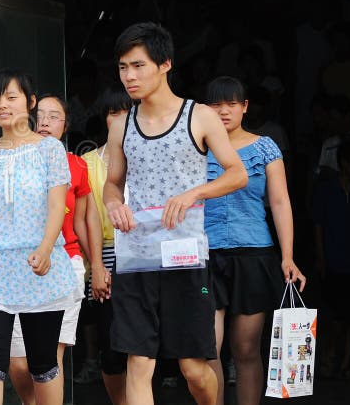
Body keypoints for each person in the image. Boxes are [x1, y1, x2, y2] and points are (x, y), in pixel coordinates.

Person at [103, 22, 248, 405]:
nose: (129, 76)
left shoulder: (199, 116)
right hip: (136, 258)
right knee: (139, 362)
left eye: (138, 66)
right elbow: (112, 183)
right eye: (122, 67)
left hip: (185, 257)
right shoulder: (121, 125)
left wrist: (193, 193)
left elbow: (237, 174)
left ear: (165, 64)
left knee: (194, 370)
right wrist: (114, 205)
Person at [0, 69, 79, 405]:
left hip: (40, 268)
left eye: (11, 97)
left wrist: (45, 249)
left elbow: (57, 206)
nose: (2, 105)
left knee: (43, 366)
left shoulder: (50, 150)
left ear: (31, 102)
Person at [203, 76, 306, 405]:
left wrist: (287, 256)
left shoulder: (265, 147)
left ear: (245, 107)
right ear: (206, 109)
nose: (223, 111)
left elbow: (280, 203)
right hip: (205, 254)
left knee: (246, 350)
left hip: (254, 253)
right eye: (216, 104)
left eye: (231, 104)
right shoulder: (196, 148)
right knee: (207, 348)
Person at [8, 94, 92, 404]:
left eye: (54, 116)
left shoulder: (77, 165)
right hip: (16, 266)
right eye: (39, 114)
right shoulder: (11, 158)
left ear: (66, 124)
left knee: (49, 358)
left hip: (64, 263)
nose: (44, 121)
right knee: (18, 361)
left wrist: (95, 265)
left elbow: (84, 221)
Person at [79, 83, 133, 404]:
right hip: (104, 254)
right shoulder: (87, 162)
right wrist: (96, 266)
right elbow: (85, 221)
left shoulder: (151, 158)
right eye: (114, 112)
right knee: (111, 350)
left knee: (143, 348)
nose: (121, 118)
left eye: (127, 111)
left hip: (143, 257)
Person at [313, 139, 350, 380]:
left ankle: (345, 363)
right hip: (334, 260)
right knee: (336, 315)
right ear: (344, 163)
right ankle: (329, 355)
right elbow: (318, 225)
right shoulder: (327, 189)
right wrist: (321, 258)